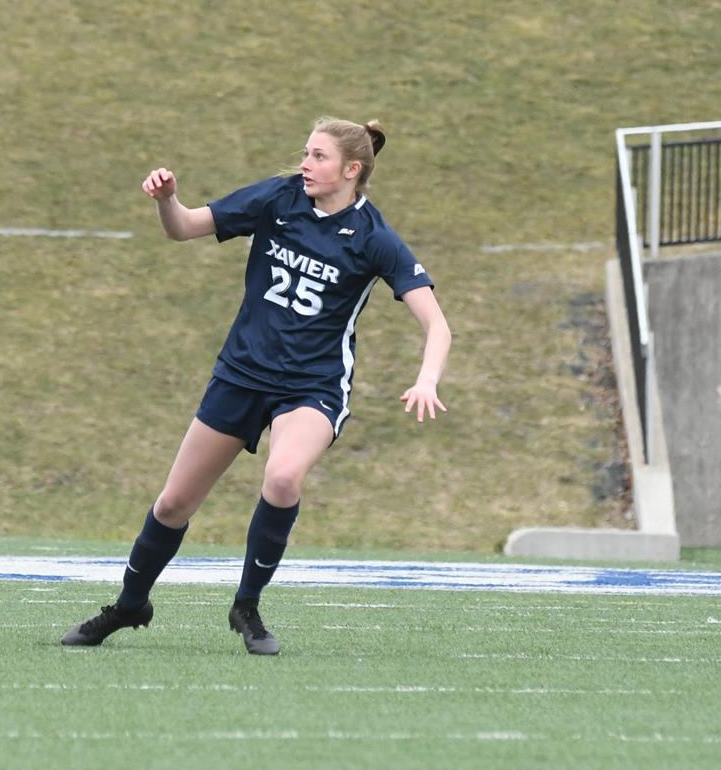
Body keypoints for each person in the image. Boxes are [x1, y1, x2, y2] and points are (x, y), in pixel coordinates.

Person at [61, 119, 450, 657]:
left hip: (312, 387)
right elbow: (183, 227)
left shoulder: (374, 237)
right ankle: (130, 606)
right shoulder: (278, 198)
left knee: (284, 476)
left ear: (351, 170)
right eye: (307, 154)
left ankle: (246, 604)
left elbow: (437, 323)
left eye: (318, 156)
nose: (306, 164)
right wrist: (167, 200)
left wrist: (426, 377)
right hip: (242, 374)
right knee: (174, 503)